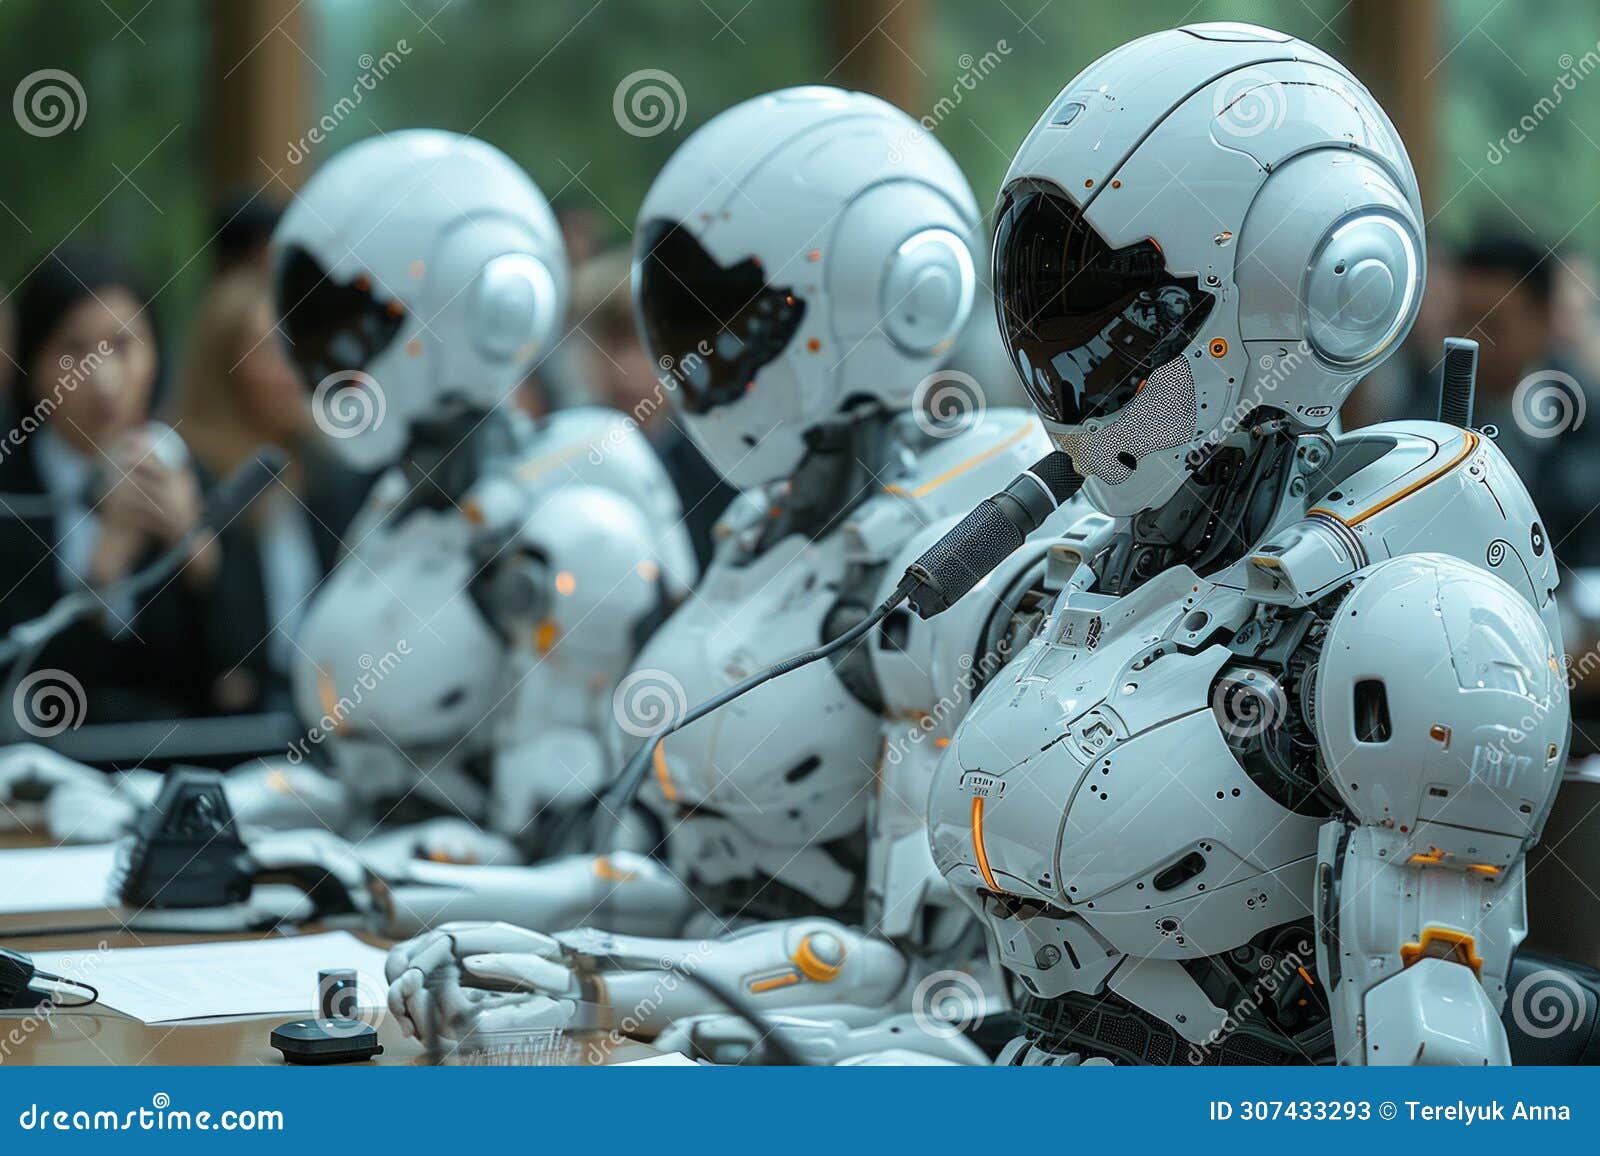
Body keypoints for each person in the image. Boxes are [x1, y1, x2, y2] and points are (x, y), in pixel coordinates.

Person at [0, 244, 218, 723]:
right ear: (31, 364)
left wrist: (196, 550)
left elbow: (239, 680)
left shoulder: (183, 475)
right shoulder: (12, 493)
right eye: (73, 350)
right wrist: (104, 569)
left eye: (122, 347)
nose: (104, 380)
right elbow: (25, 697)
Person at [168, 270, 371, 713]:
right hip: (227, 732)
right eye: (269, 350)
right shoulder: (190, 476)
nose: (294, 365)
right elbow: (220, 654)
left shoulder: (323, 471)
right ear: (226, 370)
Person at [571, 248, 734, 566]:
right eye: (609, 342)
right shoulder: (567, 451)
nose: (624, 366)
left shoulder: (718, 463)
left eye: (644, 344)